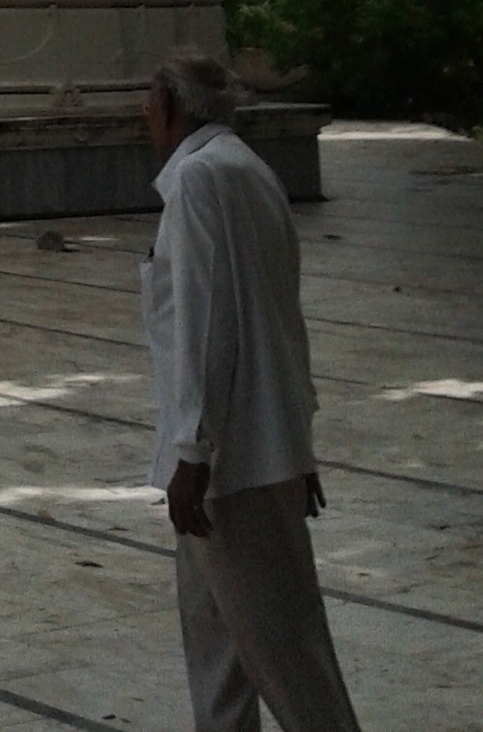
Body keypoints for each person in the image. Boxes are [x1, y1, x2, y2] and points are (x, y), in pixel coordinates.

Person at [142, 47, 363, 732]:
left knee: (287, 657)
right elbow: (279, 322)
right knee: (220, 657)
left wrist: (193, 449)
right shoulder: (244, 169)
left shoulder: (204, 179)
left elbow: (209, 325)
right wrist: (297, 443)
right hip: (257, 451)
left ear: (172, 108)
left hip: (231, 464)